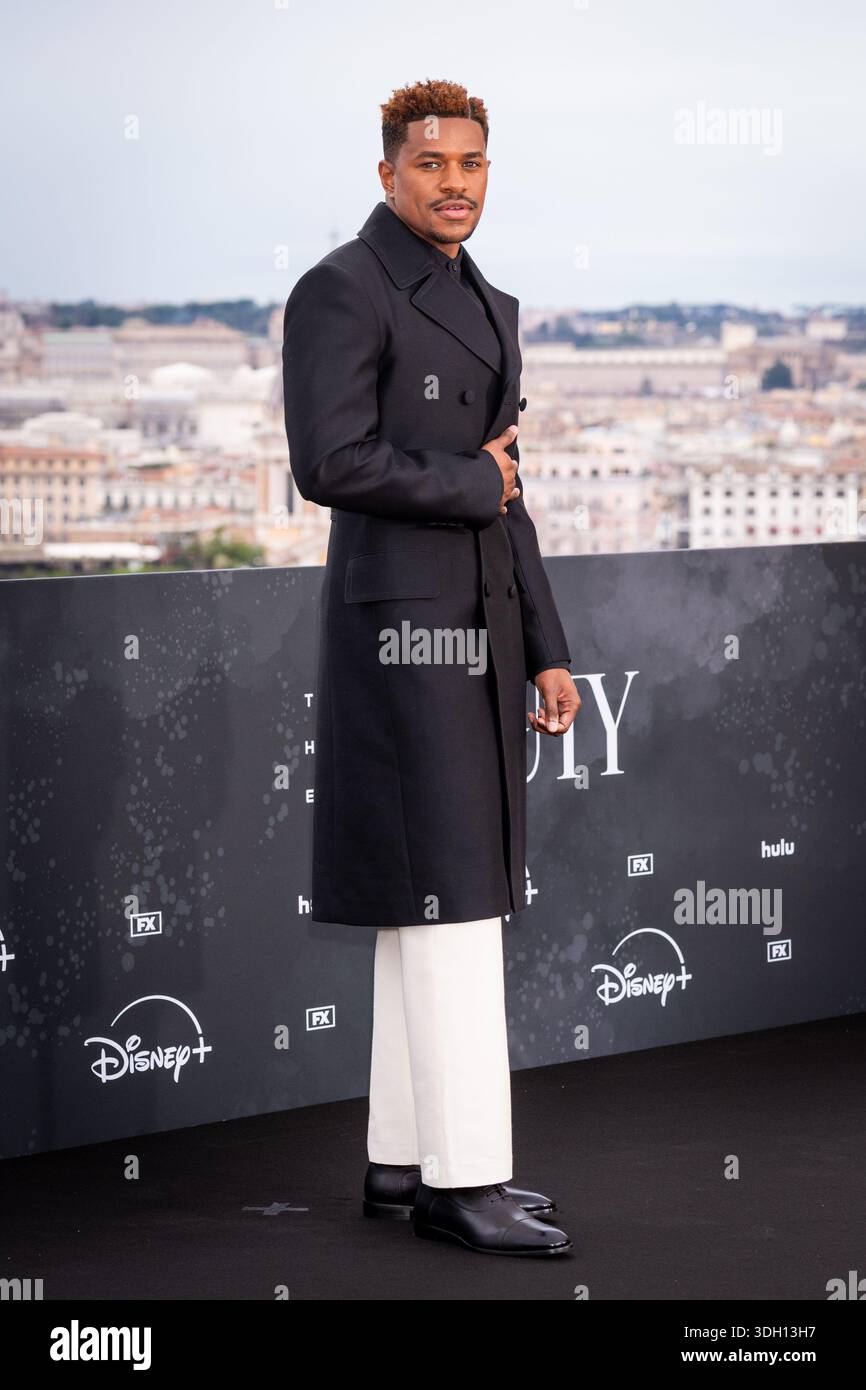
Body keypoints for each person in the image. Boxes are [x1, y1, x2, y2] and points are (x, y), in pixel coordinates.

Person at [282, 78, 581, 1256]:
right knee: (454, 908)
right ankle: (467, 1182)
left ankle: (403, 1163)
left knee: (434, 914)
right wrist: (476, 481)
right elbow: (328, 459)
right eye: (429, 164)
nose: (452, 182)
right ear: (385, 173)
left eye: (470, 163)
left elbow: (511, 491)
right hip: (401, 639)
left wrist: (549, 652)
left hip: (480, 632)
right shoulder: (338, 289)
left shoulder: (490, 302)